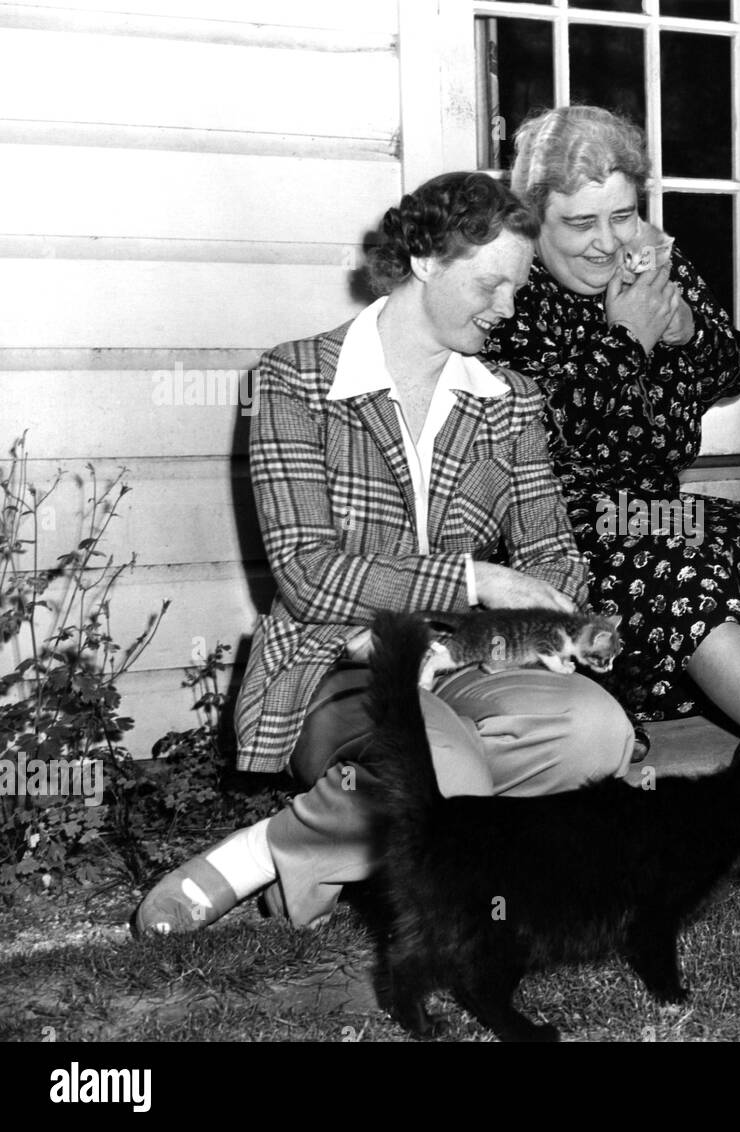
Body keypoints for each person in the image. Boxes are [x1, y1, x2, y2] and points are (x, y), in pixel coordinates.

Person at [133, 172, 633, 936]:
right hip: (335, 665)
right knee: (442, 770)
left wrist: (499, 638)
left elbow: (555, 559)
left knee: (599, 734)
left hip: (467, 662)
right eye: (491, 284)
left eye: (517, 288)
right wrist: (470, 581)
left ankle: (309, 852)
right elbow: (308, 574)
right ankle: (273, 856)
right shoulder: (293, 381)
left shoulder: (510, 400)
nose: (508, 308)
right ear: (426, 261)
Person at [481, 105, 740, 759]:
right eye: (579, 222)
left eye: (621, 215)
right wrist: (624, 340)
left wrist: (689, 334)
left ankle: (713, 698)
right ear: (533, 217)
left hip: (650, 508)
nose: (605, 241)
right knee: (680, 568)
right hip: (550, 531)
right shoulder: (507, 293)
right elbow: (547, 434)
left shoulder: (651, 263)